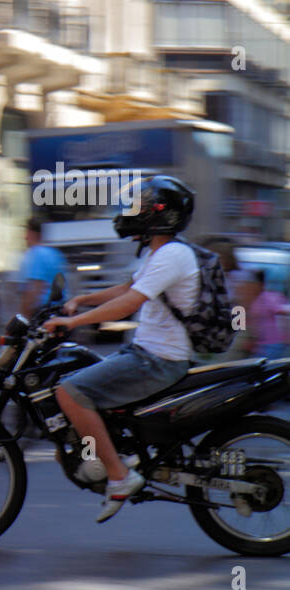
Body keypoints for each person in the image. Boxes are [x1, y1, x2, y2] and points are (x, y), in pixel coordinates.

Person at [43, 175, 200, 522]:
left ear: (161, 214)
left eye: (142, 206)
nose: (133, 211)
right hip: (148, 354)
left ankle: (119, 476)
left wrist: (73, 323)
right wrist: (82, 299)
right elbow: (127, 287)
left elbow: (128, 303)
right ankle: (116, 455)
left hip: (158, 360)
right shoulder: (161, 253)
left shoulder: (172, 254)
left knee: (68, 392)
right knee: (80, 374)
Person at [14, 217, 67, 317]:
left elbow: (35, 289)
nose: (24, 237)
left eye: (26, 232)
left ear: (32, 233)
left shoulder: (37, 254)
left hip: (43, 314)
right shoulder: (55, 253)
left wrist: (23, 318)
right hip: (58, 311)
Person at [249, 269, 290, 360]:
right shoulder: (255, 300)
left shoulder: (270, 297)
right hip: (260, 345)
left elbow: (284, 311)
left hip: (272, 345)